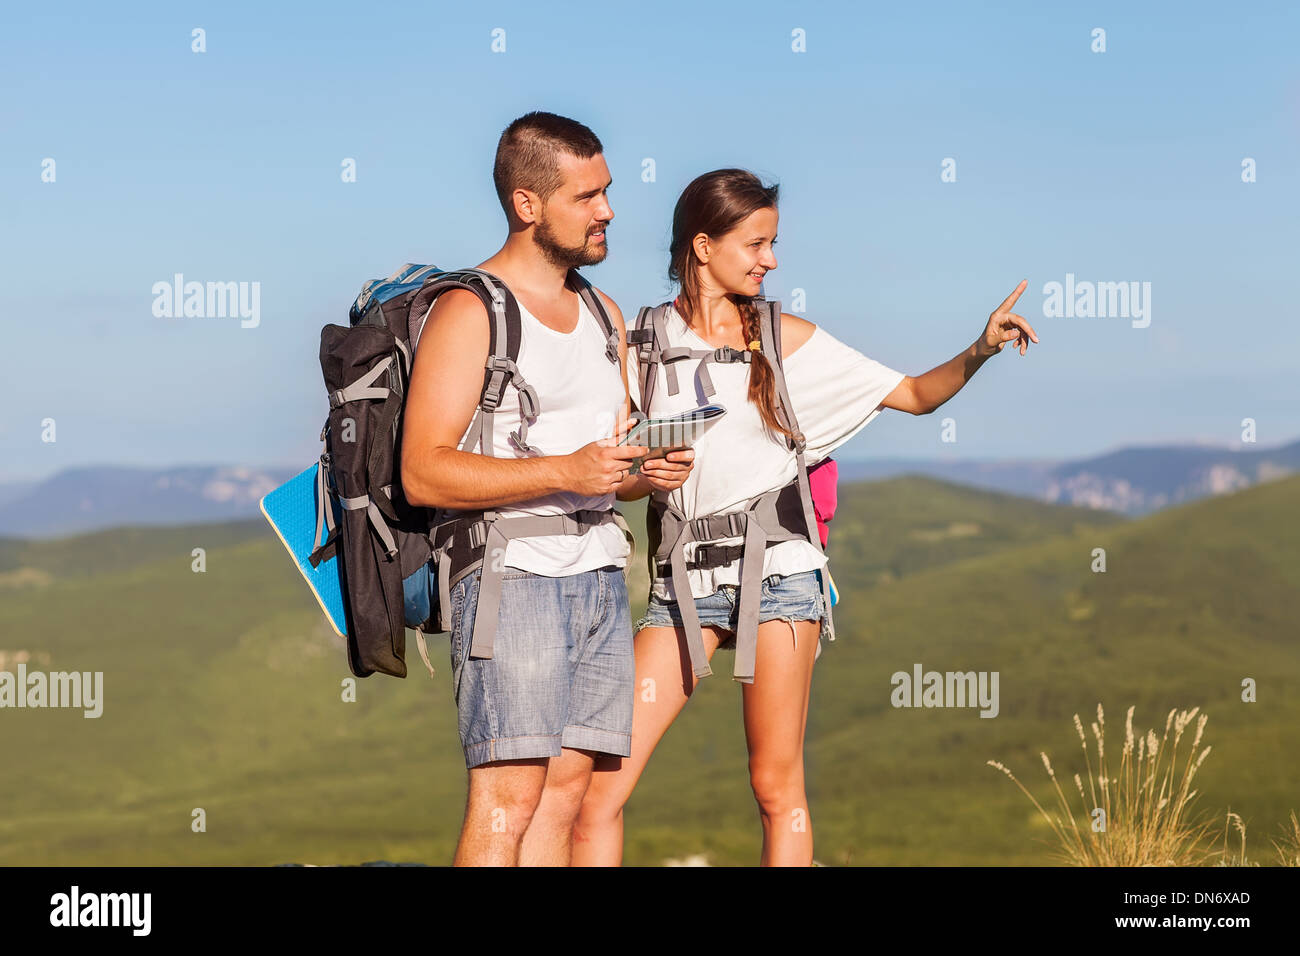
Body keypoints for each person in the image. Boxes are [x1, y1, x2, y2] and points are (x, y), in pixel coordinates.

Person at [573, 167, 1037, 866]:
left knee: (774, 787)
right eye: (757, 243)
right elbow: (623, 477)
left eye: (774, 242)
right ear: (703, 246)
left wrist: (980, 348)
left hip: (782, 578)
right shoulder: (639, 342)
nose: (772, 259)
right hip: (681, 590)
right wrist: (645, 475)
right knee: (599, 789)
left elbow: (911, 394)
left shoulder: (785, 338)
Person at [400, 112, 693, 866]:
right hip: (510, 577)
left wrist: (643, 473)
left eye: (608, 192)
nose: (608, 211)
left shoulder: (605, 313)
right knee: (508, 802)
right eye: (587, 196)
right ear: (529, 205)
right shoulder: (469, 312)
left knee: (566, 798)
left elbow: (611, 472)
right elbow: (423, 469)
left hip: (599, 570)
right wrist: (566, 470)